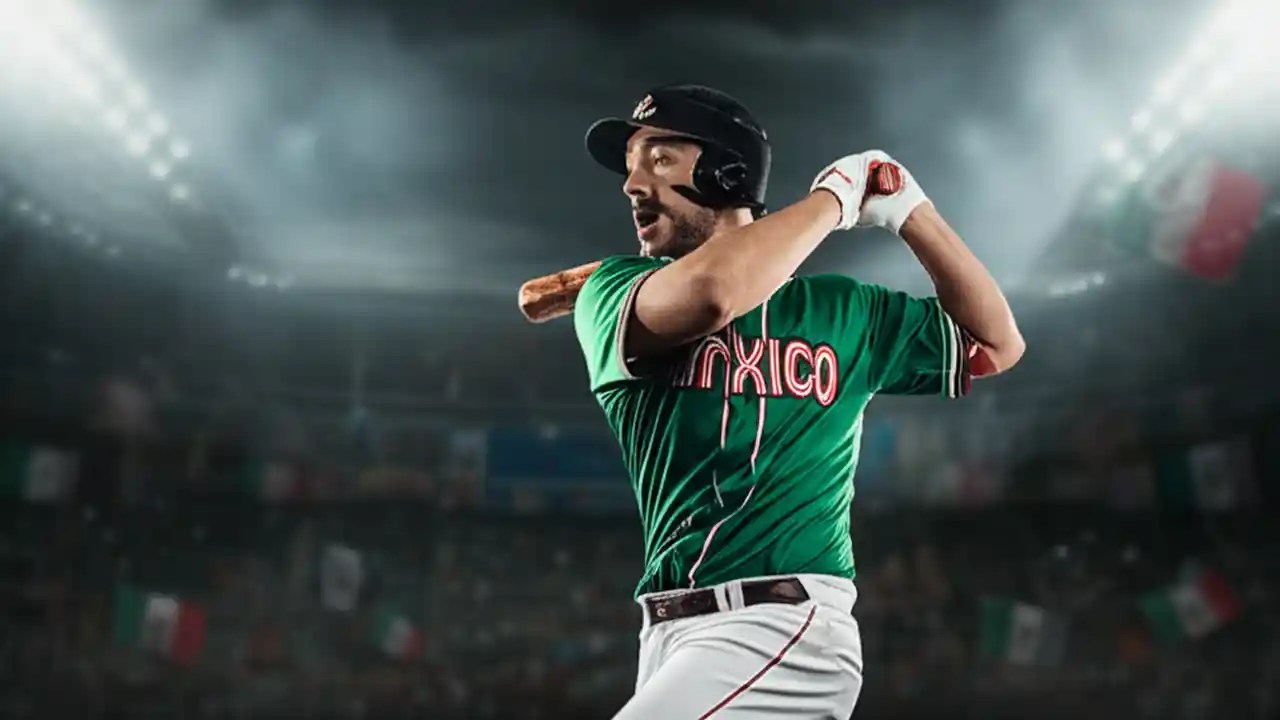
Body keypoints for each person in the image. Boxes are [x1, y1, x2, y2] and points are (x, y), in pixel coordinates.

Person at [574, 84, 1024, 718]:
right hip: (669, 637)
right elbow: (714, 294)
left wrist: (909, 210)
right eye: (630, 167)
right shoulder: (612, 292)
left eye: (660, 159)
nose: (632, 185)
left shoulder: (845, 311)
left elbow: (996, 343)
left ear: (726, 172)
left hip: (783, 625)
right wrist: (834, 200)